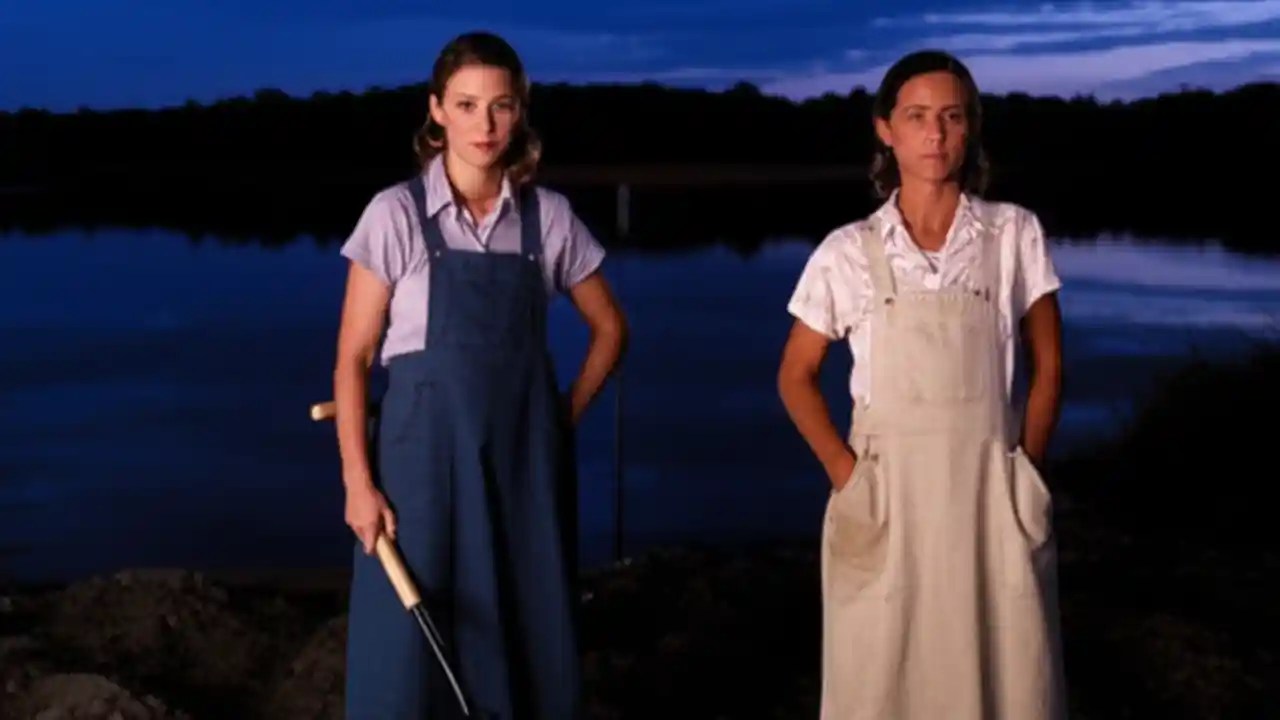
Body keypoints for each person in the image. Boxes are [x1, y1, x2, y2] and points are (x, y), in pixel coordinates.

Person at [332, 31, 627, 719]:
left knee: (526, 628)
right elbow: (351, 359)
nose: (485, 126)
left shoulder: (547, 217)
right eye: (466, 106)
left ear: (520, 110)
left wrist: (560, 420)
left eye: (500, 107)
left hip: (522, 463)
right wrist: (357, 483)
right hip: (419, 465)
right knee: (407, 647)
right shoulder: (395, 214)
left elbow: (610, 329)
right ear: (436, 111)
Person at [777, 49, 1067, 719]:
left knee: (1009, 674)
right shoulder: (849, 250)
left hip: (989, 493)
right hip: (886, 495)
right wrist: (847, 475)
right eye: (916, 117)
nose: (934, 135)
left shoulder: (1012, 233)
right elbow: (796, 375)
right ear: (886, 129)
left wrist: (1027, 472)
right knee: (882, 675)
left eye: (951, 117)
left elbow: (1049, 365)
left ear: (971, 128)